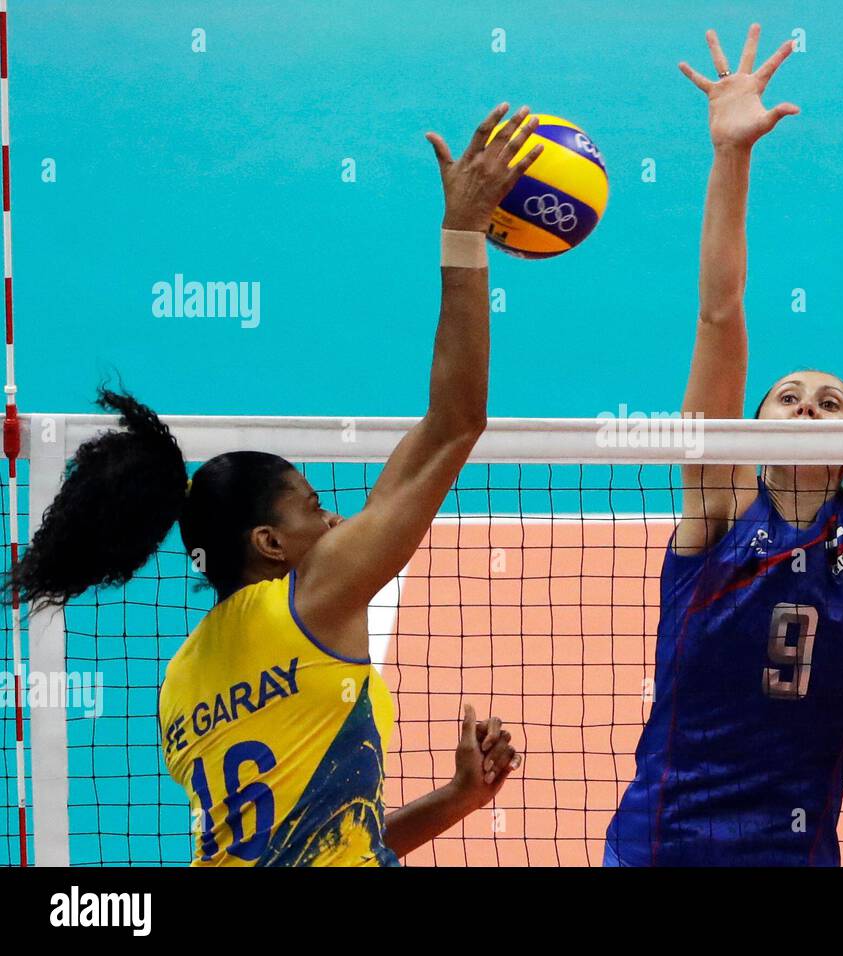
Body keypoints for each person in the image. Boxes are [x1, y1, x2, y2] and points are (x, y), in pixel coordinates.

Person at [9, 104, 541, 865]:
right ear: (270, 542)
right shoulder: (315, 593)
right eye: (316, 507)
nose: (335, 524)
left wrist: (456, 801)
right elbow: (456, 422)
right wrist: (461, 231)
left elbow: (315, 842)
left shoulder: (180, 683)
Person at [604, 28, 843, 865]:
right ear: (751, 430)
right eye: (787, 397)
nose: (809, 406)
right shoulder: (715, 508)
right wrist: (729, 156)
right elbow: (719, 315)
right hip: (663, 845)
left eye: (831, 403)